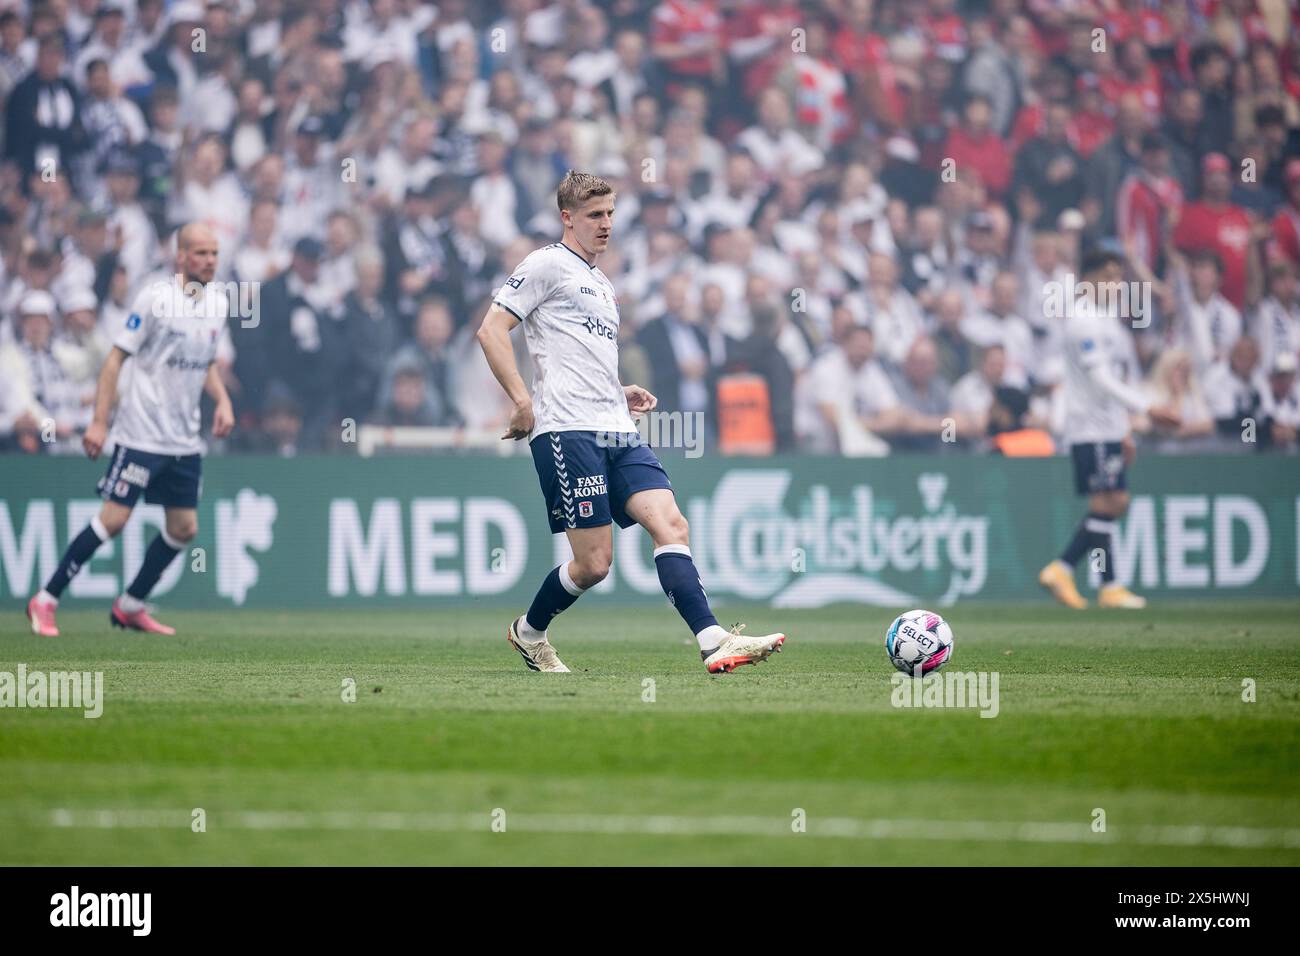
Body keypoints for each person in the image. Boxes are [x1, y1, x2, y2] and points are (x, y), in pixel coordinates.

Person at [476, 170, 786, 674]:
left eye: (610, 213)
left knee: (672, 523)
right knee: (594, 565)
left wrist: (617, 391)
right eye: (594, 215)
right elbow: (491, 331)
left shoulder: (602, 284)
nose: (605, 224)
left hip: (615, 426)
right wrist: (521, 401)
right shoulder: (546, 264)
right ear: (567, 217)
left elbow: (572, 355)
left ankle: (713, 642)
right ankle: (529, 632)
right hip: (567, 429)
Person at [25, 223, 235, 636]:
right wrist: (101, 423)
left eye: (214, 253)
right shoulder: (155, 299)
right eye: (200, 253)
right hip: (140, 434)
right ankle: (46, 599)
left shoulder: (219, 303)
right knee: (114, 520)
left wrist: (223, 399)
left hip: (184, 439)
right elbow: (115, 360)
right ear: (180, 257)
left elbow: (205, 362)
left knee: (183, 528)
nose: (210, 261)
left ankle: (130, 605)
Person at [1038, 248, 1181, 611]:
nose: (1117, 285)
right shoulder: (1083, 320)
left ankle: (1106, 584)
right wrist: (1146, 407)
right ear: (1089, 280)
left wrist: (1124, 429)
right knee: (1111, 501)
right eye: (1110, 277)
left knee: (1108, 501)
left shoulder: (1106, 321)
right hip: (1088, 427)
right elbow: (1099, 378)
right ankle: (1068, 569)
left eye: (1119, 278)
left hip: (1107, 426)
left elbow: (1115, 376)